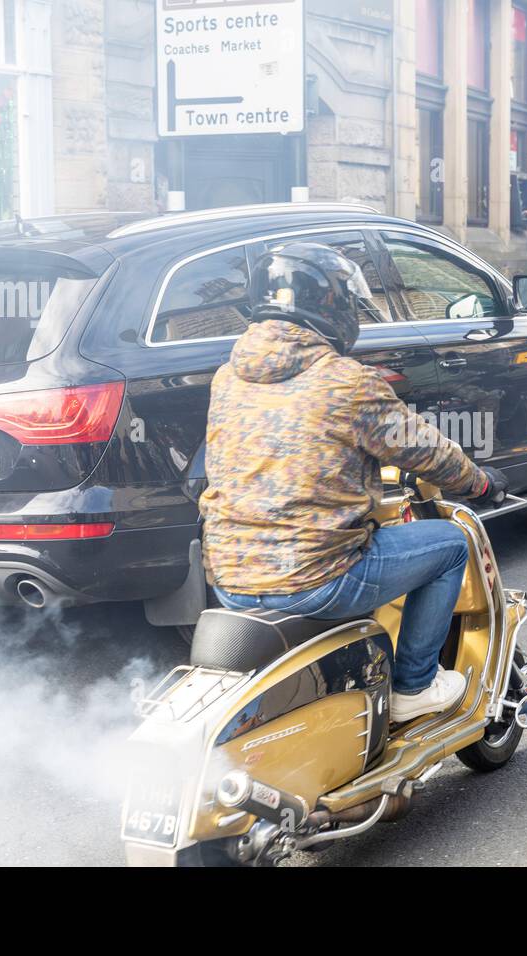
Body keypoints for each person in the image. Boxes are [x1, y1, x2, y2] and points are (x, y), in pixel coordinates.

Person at [201, 241, 507, 722]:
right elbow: (424, 450)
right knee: (450, 544)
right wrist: (480, 483)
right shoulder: (345, 380)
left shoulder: (228, 377)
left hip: (230, 578)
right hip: (313, 577)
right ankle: (414, 686)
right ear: (327, 306)